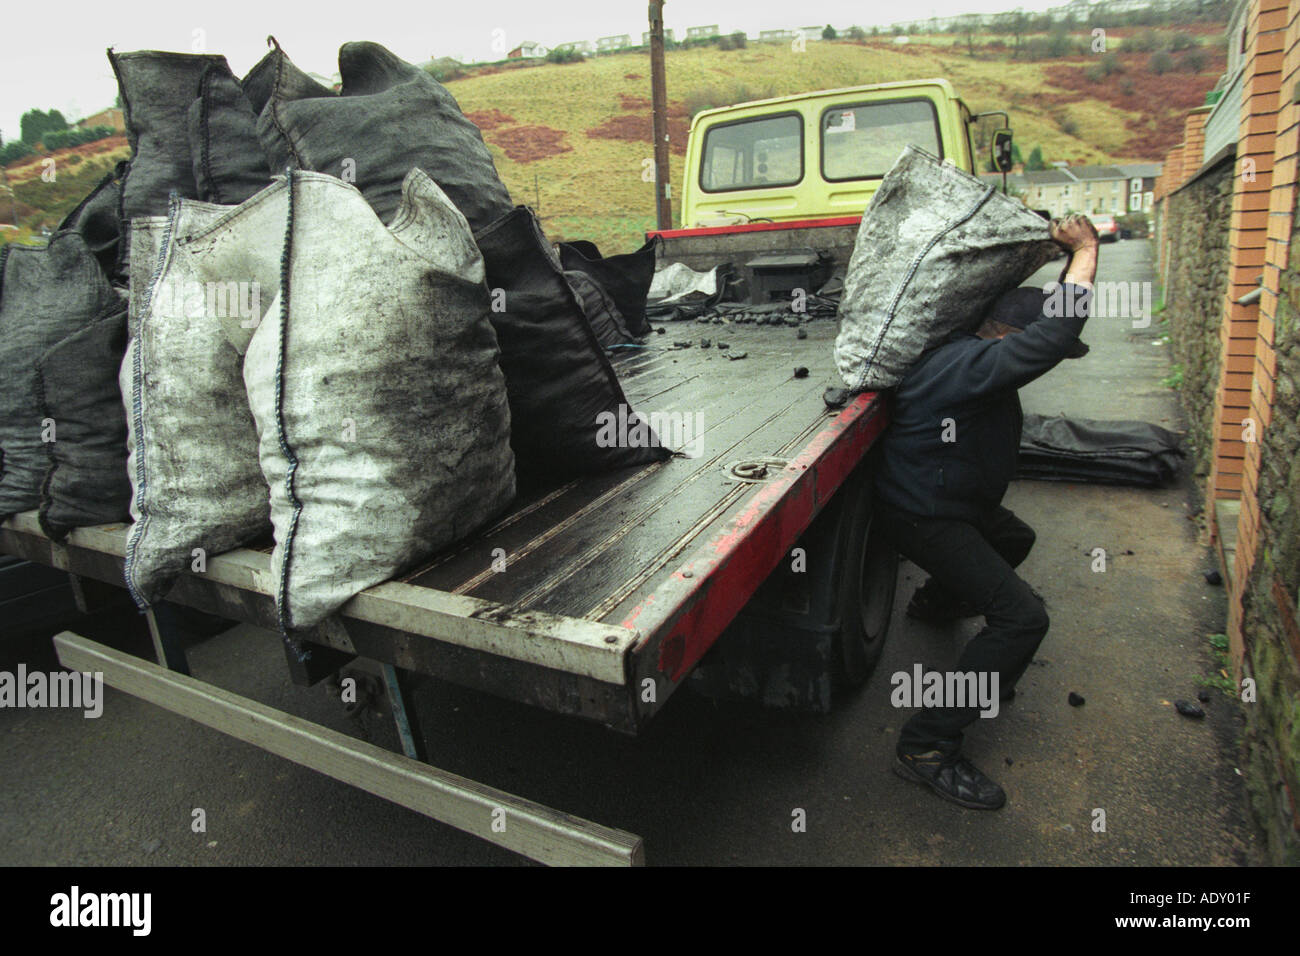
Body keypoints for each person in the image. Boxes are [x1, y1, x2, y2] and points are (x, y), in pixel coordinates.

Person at [872, 213, 1100, 810]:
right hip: (923, 514)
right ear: (1005, 335)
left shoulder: (975, 362)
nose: (1049, 360)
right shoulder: (967, 363)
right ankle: (925, 747)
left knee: (1015, 538)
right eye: (1031, 348)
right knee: (1023, 619)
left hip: (952, 502)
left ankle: (935, 603)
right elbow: (1049, 339)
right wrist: (1085, 252)